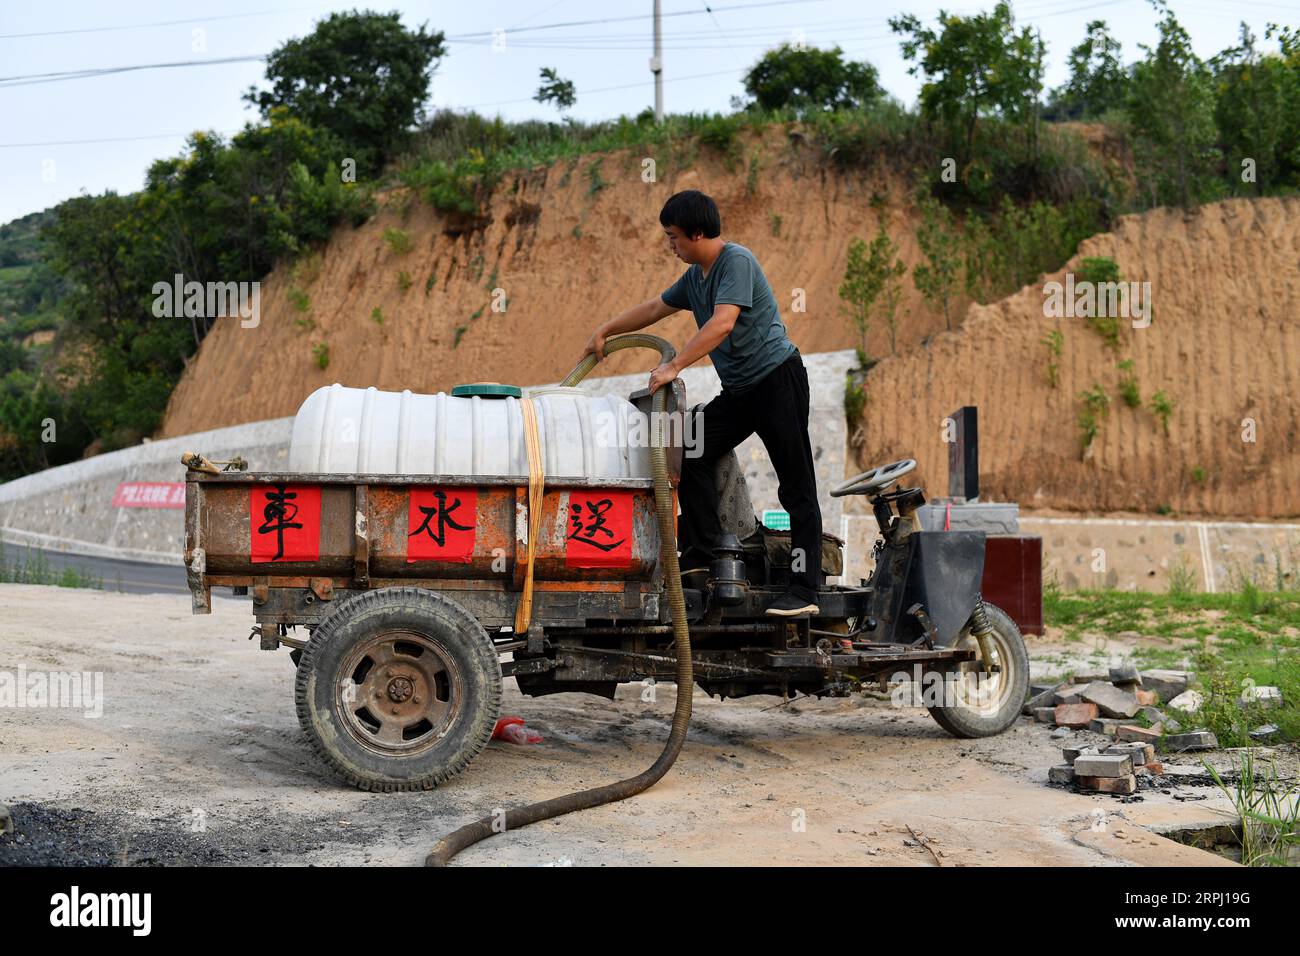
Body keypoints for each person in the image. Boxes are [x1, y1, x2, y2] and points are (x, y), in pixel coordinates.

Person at [581, 189, 823, 616]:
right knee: (689, 447)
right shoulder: (696, 278)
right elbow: (656, 307)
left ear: (695, 233)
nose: (670, 245)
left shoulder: (736, 262)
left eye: (673, 237)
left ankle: (805, 591)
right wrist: (606, 329)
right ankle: (706, 556)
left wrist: (674, 366)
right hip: (742, 393)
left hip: (777, 382)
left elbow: (723, 323)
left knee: (796, 486)